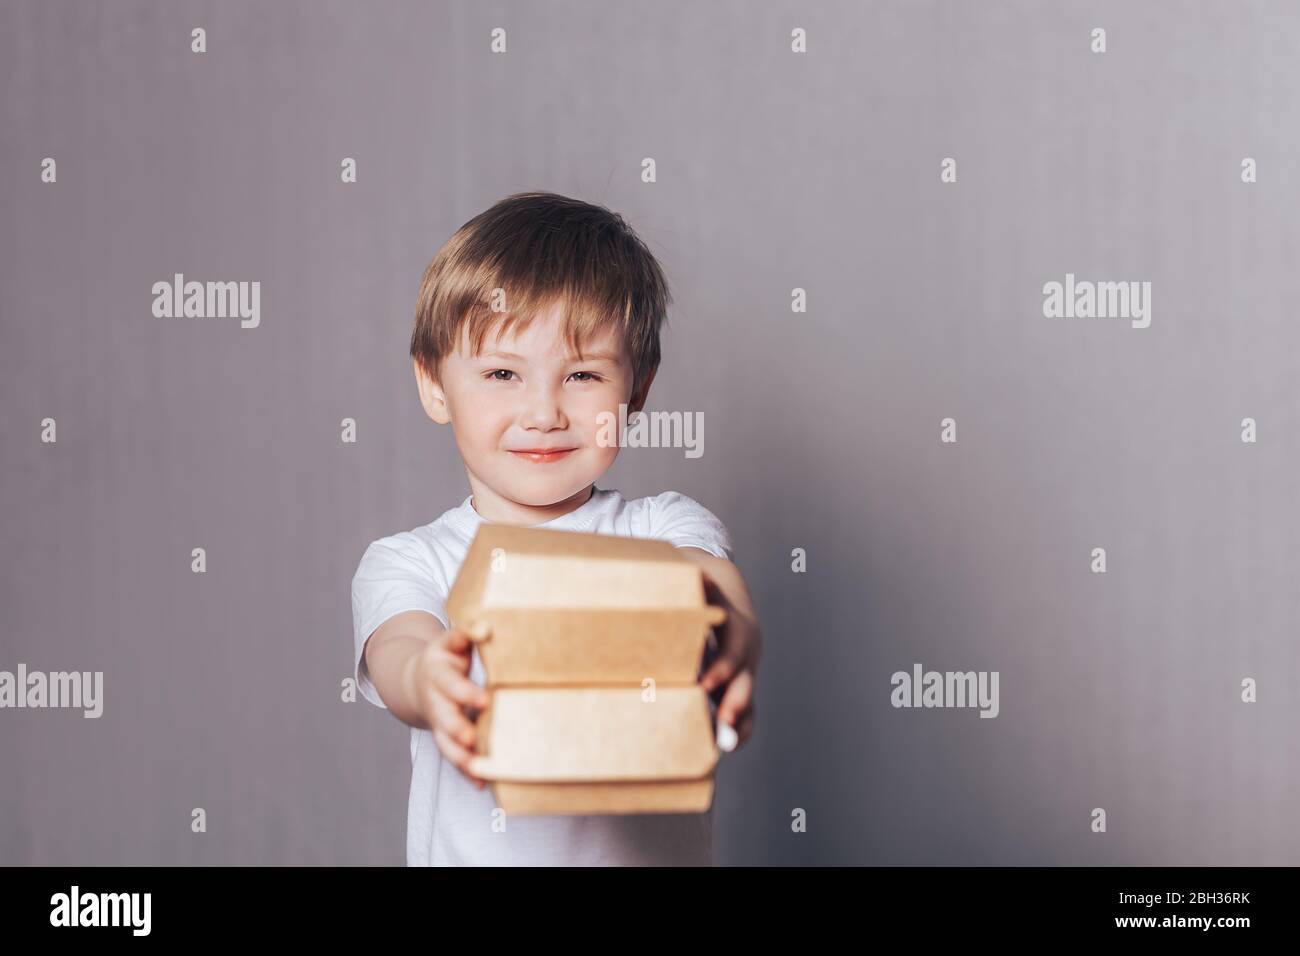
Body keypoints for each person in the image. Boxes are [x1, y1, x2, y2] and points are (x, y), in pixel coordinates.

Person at [351, 191, 762, 865]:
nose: (543, 412)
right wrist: (431, 680)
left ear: (637, 391)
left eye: (583, 374)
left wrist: (727, 629)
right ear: (434, 385)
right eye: (503, 373)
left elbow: (711, 582)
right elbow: (400, 648)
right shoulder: (411, 561)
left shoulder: (663, 527)